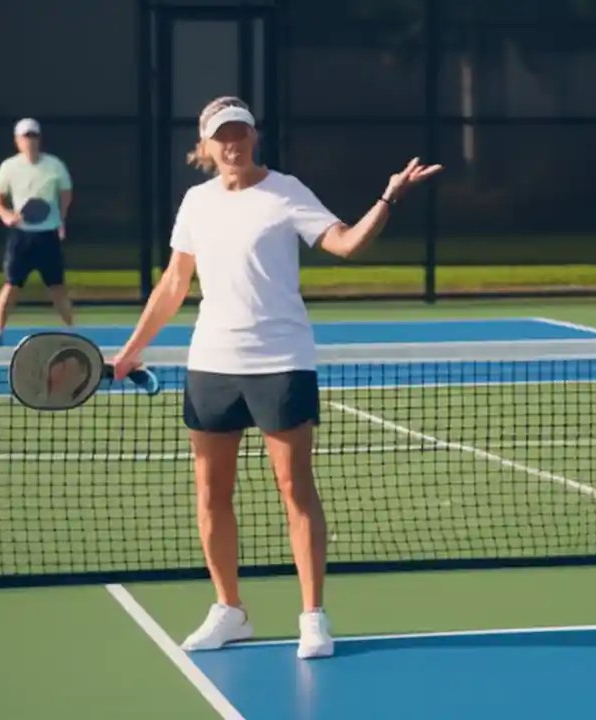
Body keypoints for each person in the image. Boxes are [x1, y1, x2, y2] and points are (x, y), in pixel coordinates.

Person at [109, 96, 441, 659]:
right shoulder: (196, 202)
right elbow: (173, 285)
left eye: (240, 133)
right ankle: (229, 610)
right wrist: (130, 351)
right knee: (211, 494)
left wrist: (387, 198)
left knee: (296, 488)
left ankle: (313, 617)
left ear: (254, 136)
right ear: (206, 145)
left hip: (282, 362)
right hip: (212, 363)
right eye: (222, 136)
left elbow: (346, 244)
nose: (232, 144)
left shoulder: (286, 192)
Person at [0, 118, 75, 346]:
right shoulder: (8, 166)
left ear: (39, 139)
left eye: (34, 136)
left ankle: (72, 331)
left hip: (48, 235)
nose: (30, 141)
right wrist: (6, 215)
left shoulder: (55, 165)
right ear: (17, 141)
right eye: (26, 137)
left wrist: (62, 219)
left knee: (57, 287)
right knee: (11, 285)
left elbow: (65, 194)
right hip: (21, 237)